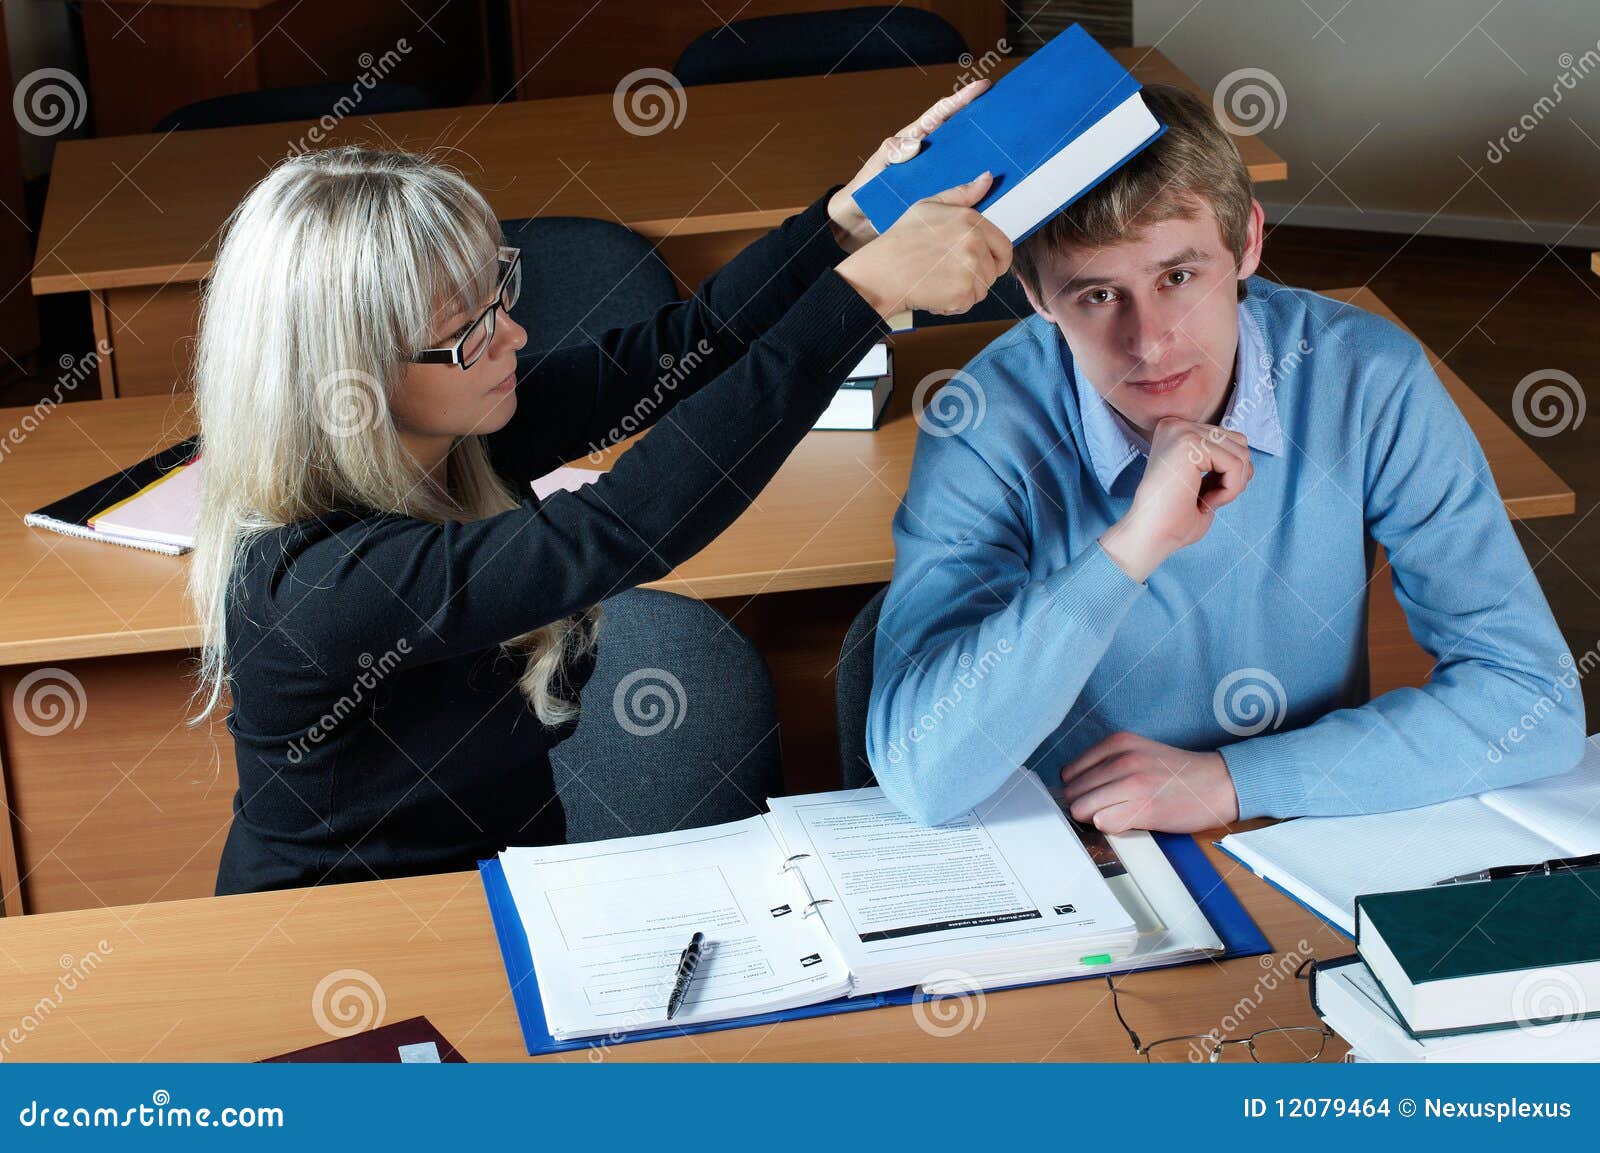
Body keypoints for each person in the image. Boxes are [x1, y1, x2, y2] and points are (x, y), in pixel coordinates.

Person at [188, 81, 1013, 893]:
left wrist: (847, 223)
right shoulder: (317, 586)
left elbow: (692, 345)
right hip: (338, 935)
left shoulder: (458, 434)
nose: (512, 332)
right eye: (465, 330)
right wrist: (866, 295)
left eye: (497, 294)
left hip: (507, 888)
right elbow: (629, 522)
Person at [866, 83, 1584, 832]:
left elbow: (1532, 696)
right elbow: (923, 775)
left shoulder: (1369, 378)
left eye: (1178, 278)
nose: (1149, 343)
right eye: (1098, 296)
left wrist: (1227, 783)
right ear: (1036, 293)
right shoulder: (982, 420)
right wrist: (1131, 546)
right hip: (1079, 854)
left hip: (1295, 833)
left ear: (1248, 244)